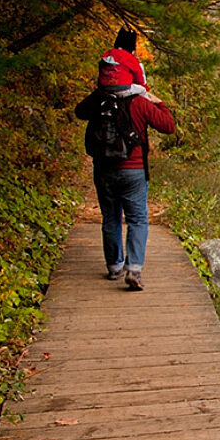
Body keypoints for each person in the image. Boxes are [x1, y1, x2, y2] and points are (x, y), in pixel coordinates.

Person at [75, 30, 176, 291]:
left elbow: (79, 112)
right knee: (137, 219)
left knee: (110, 218)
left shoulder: (100, 99)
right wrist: (160, 103)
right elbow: (168, 126)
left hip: (104, 169)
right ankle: (133, 270)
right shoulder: (139, 102)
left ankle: (114, 267)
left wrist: (99, 96)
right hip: (133, 171)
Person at [98, 28, 149, 98]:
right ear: (132, 48)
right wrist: (145, 87)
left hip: (103, 88)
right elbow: (139, 78)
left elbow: (101, 66)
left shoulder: (108, 53)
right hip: (122, 89)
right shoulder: (130, 58)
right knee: (143, 90)